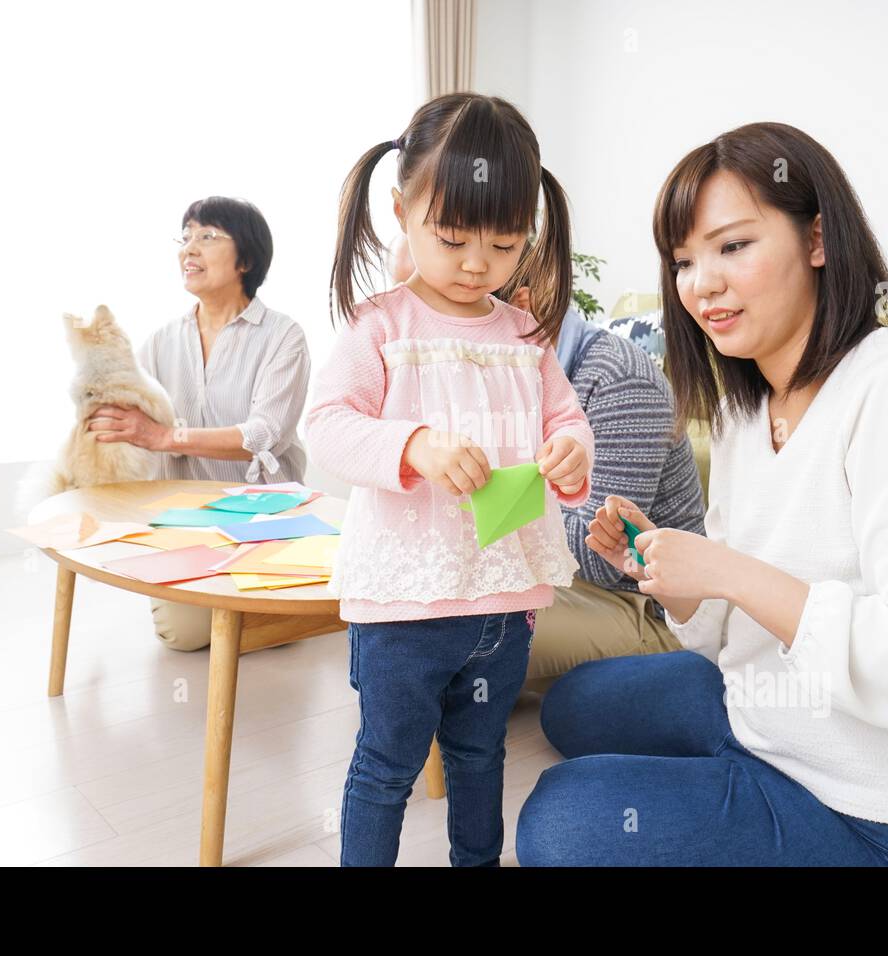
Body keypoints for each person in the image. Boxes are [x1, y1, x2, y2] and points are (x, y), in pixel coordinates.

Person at [516, 122, 888, 866]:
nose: (700, 284)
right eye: (683, 261)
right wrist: (673, 575)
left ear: (816, 240)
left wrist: (724, 570)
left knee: (560, 819)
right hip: (768, 714)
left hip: (883, 814)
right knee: (574, 703)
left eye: (733, 246)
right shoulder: (748, 407)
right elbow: (725, 630)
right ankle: (721, 796)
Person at [307, 92, 593, 866]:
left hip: (501, 601)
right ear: (402, 211)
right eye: (454, 238)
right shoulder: (382, 326)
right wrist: (415, 445)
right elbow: (327, 425)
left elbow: (563, 422)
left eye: (504, 245)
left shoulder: (525, 335)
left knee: (480, 756)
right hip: (403, 604)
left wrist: (572, 452)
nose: (477, 264)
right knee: (387, 765)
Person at [385, 242, 708, 694]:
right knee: (402, 610)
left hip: (643, 605)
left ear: (520, 306)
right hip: (555, 577)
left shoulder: (620, 379)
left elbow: (602, 557)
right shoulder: (490, 377)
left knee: (448, 629)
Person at [86, 196, 311, 651]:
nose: (190, 249)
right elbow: (127, 417)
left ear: (246, 258)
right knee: (184, 637)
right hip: (184, 517)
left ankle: (260, 601)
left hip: (263, 512)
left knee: (283, 628)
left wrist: (164, 436)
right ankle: (233, 601)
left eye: (207, 236)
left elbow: (262, 435)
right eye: (185, 237)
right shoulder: (161, 342)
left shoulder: (283, 336)